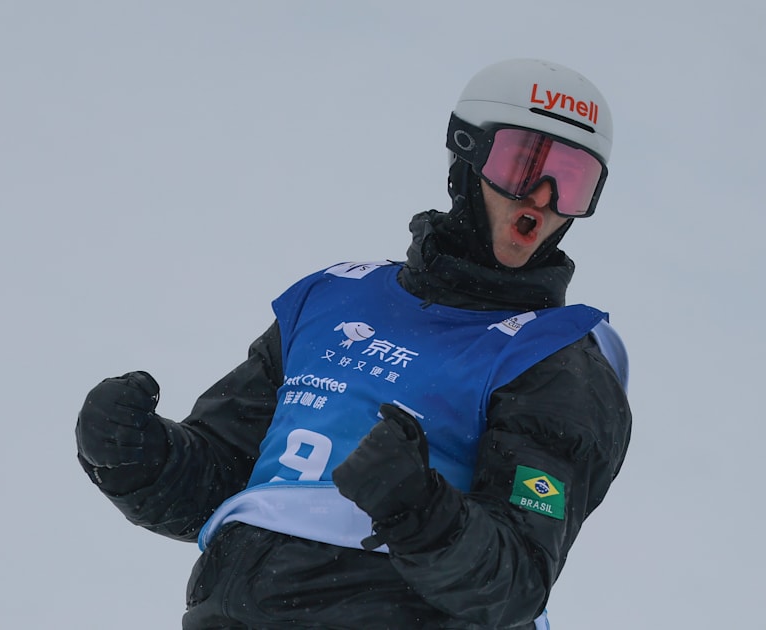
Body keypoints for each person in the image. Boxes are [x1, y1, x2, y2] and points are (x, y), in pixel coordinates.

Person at [76, 58, 632, 629]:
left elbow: (515, 582)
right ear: (466, 153)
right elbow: (221, 479)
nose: (543, 197)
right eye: (525, 164)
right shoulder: (335, 299)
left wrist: (420, 508)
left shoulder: (556, 361)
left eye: (574, 181)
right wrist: (140, 458)